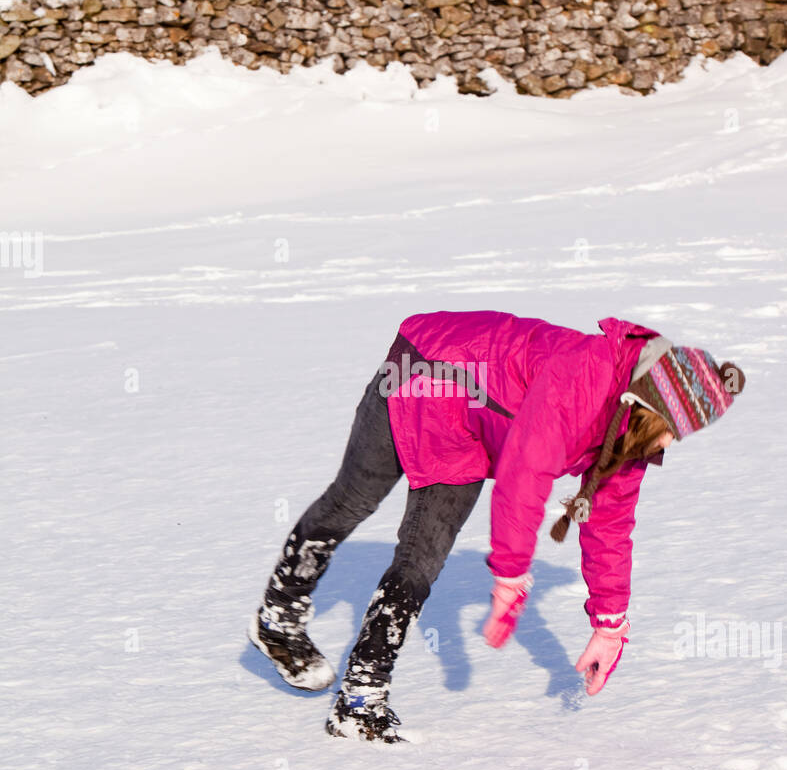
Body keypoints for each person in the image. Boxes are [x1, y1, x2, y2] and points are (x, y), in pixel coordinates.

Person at [249, 311, 745, 744]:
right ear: (647, 406)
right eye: (670, 430)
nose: (670, 443)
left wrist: (609, 625)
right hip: (423, 367)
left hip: (468, 428)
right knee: (351, 501)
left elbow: (609, 524)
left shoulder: (629, 437)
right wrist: (510, 574)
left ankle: (359, 701)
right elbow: (523, 475)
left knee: (424, 555)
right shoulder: (581, 380)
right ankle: (278, 617)